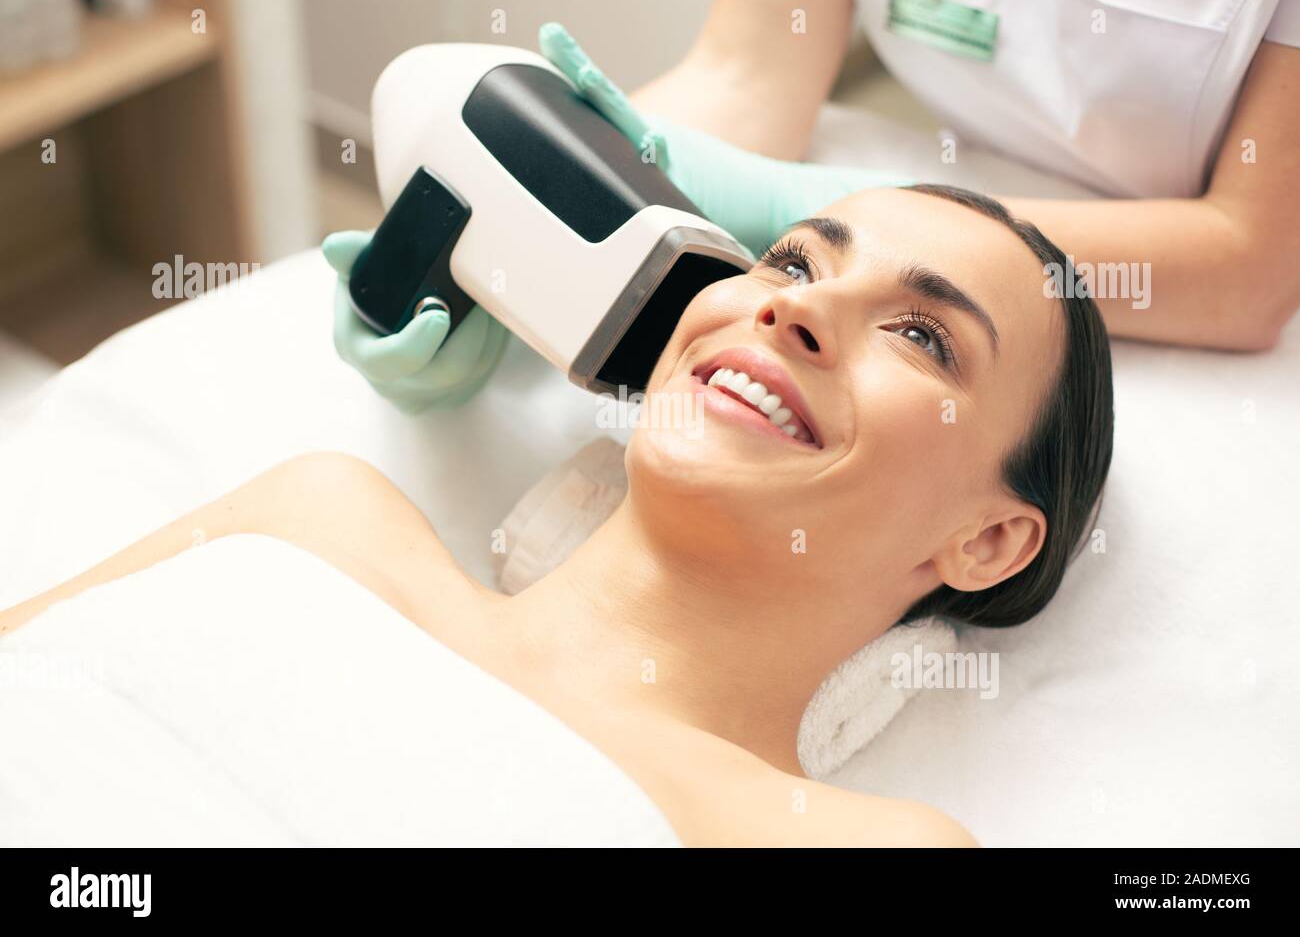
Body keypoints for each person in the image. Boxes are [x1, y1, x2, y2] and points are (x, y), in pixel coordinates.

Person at [1, 183, 1114, 845]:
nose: (797, 306)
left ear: (986, 539)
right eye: (790, 258)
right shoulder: (318, 517)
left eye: (923, 335)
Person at [333, 0, 1299, 412]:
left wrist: (831, 207)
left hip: (1195, 306)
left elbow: (1251, 262)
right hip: (928, 199)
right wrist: (556, 224)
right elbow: (749, 74)